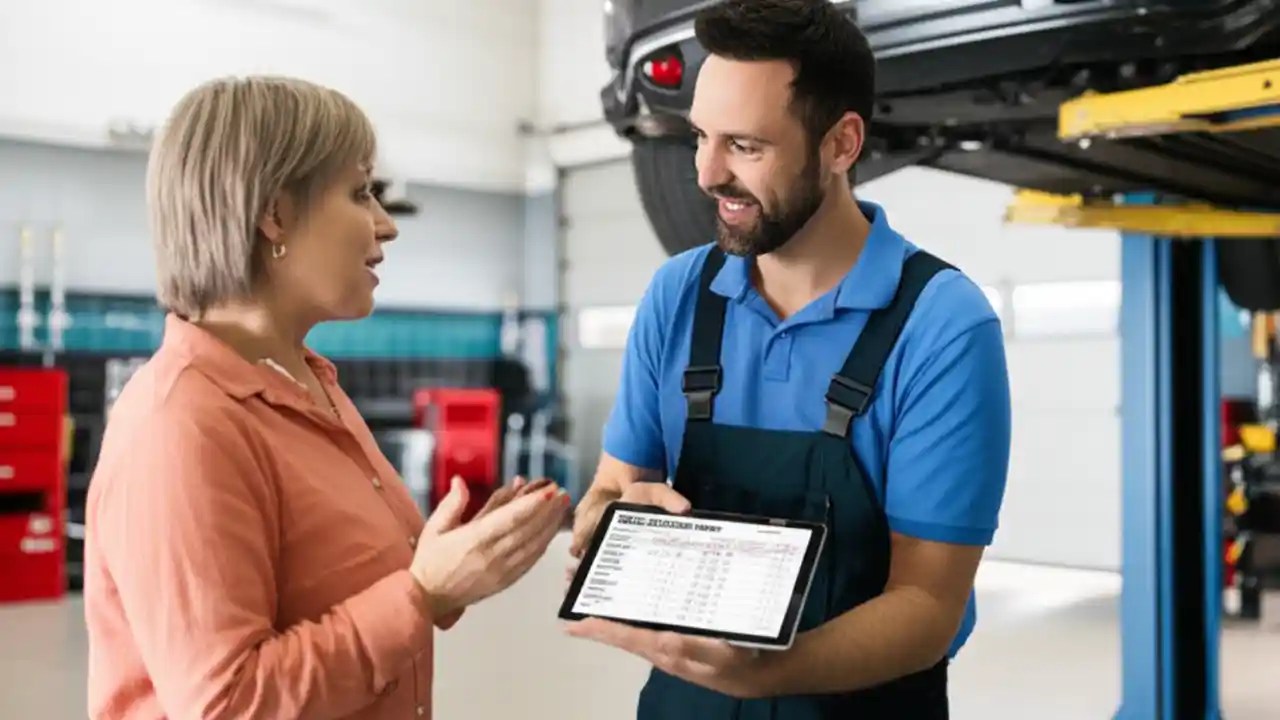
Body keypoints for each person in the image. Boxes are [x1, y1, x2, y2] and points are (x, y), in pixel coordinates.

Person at [564, 0, 1012, 717]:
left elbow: (929, 603)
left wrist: (767, 675)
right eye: (700, 137)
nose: (707, 174)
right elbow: (613, 487)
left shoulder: (941, 325)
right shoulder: (677, 296)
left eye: (745, 146)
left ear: (841, 144)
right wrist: (607, 519)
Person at [83, 75, 568, 720]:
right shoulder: (182, 425)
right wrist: (420, 595)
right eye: (361, 192)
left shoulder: (307, 380)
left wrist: (456, 564)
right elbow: (228, 703)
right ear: (275, 214)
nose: (386, 226)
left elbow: (347, 586)